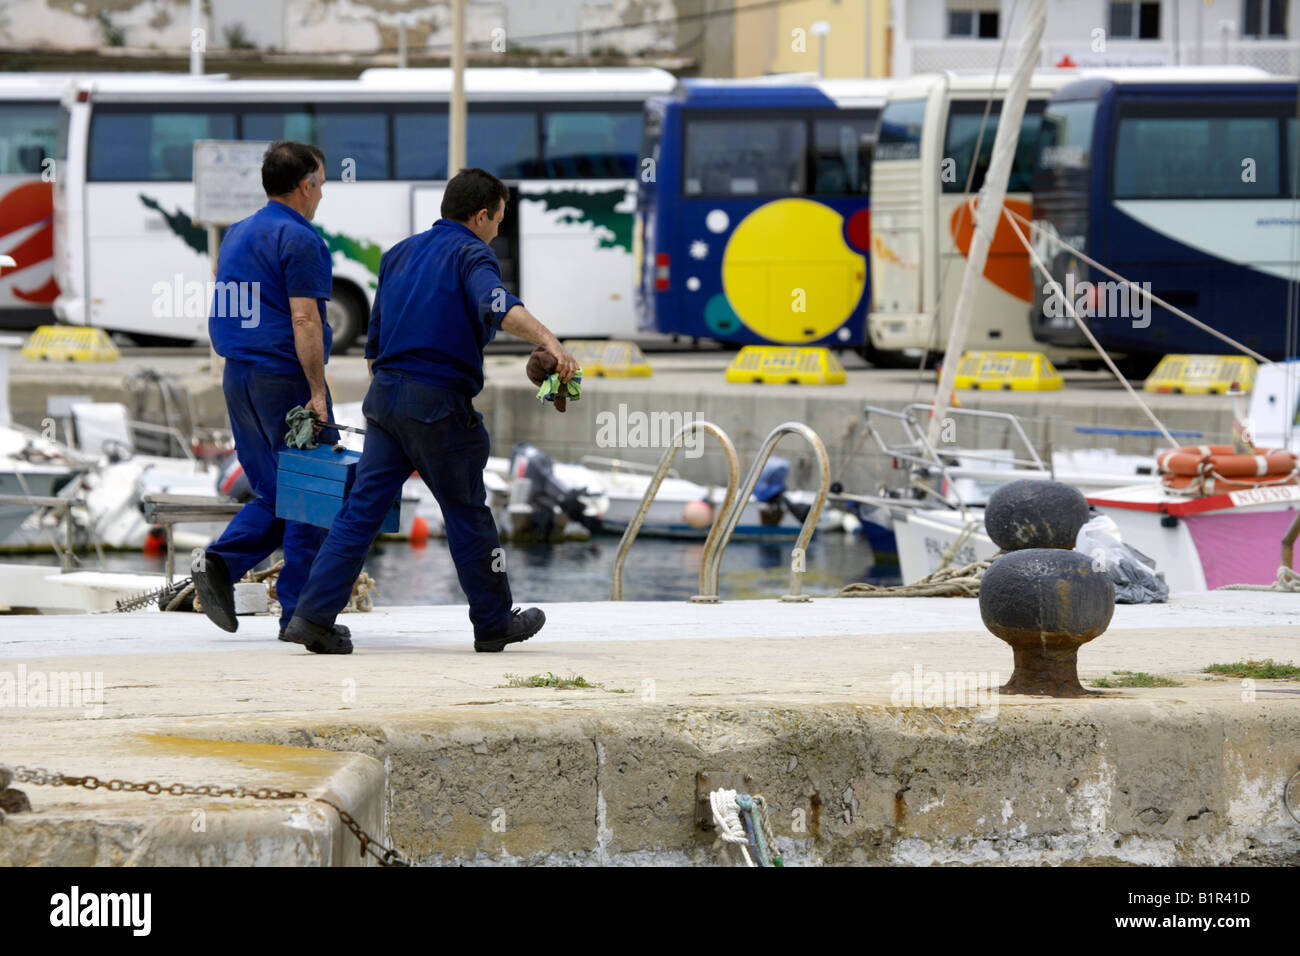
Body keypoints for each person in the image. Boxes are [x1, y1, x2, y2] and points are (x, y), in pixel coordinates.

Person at [283, 167, 578, 654]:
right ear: (481, 215)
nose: (497, 230)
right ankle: (494, 620)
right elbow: (496, 302)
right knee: (467, 513)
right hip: (438, 405)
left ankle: (311, 617)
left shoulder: (398, 255)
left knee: (359, 513)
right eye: (498, 220)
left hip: (385, 402)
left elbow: (374, 349)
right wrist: (550, 342)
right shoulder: (471, 252)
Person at [192, 141, 345, 652]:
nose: (322, 192)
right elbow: (304, 318)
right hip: (283, 376)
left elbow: (228, 286)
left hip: (238, 374)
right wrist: (319, 392)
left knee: (278, 491)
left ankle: (221, 563)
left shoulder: (238, 232)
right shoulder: (301, 240)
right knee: (312, 488)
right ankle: (301, 614)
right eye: (321, 182)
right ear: (305, 185)